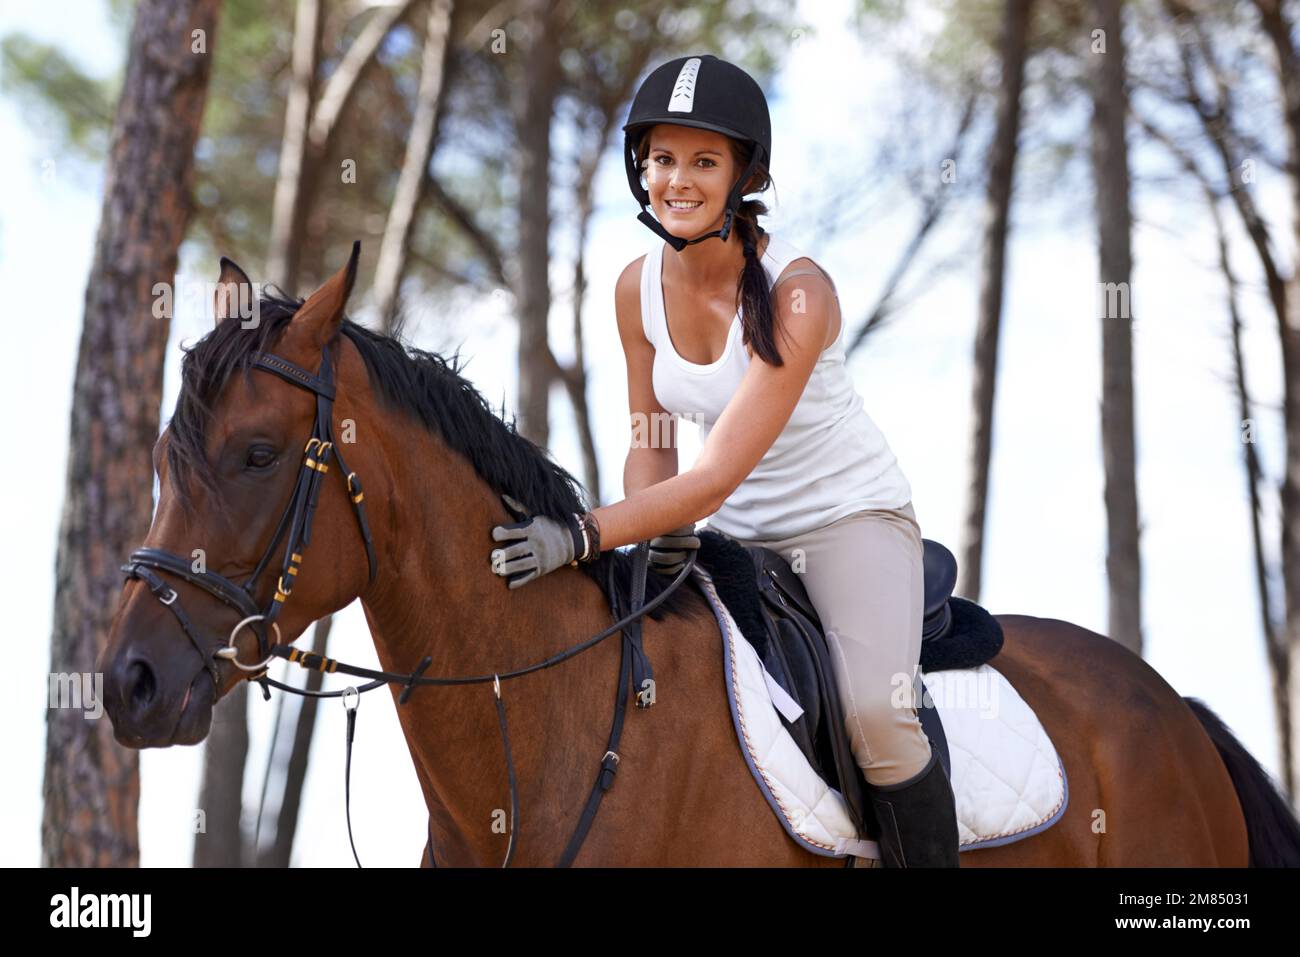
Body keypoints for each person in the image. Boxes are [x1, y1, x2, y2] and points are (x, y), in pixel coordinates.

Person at [487, 54, 958, 867]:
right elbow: (653, 446)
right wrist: (653, 530)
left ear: (744, 175)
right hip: (736, 534)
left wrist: (581, 533)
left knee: (878, 719)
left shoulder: (800, 292)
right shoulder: (634, 288)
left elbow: (714, 478)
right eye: (662, 159)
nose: (678, 180)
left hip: (848, 521)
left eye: (704, 161)